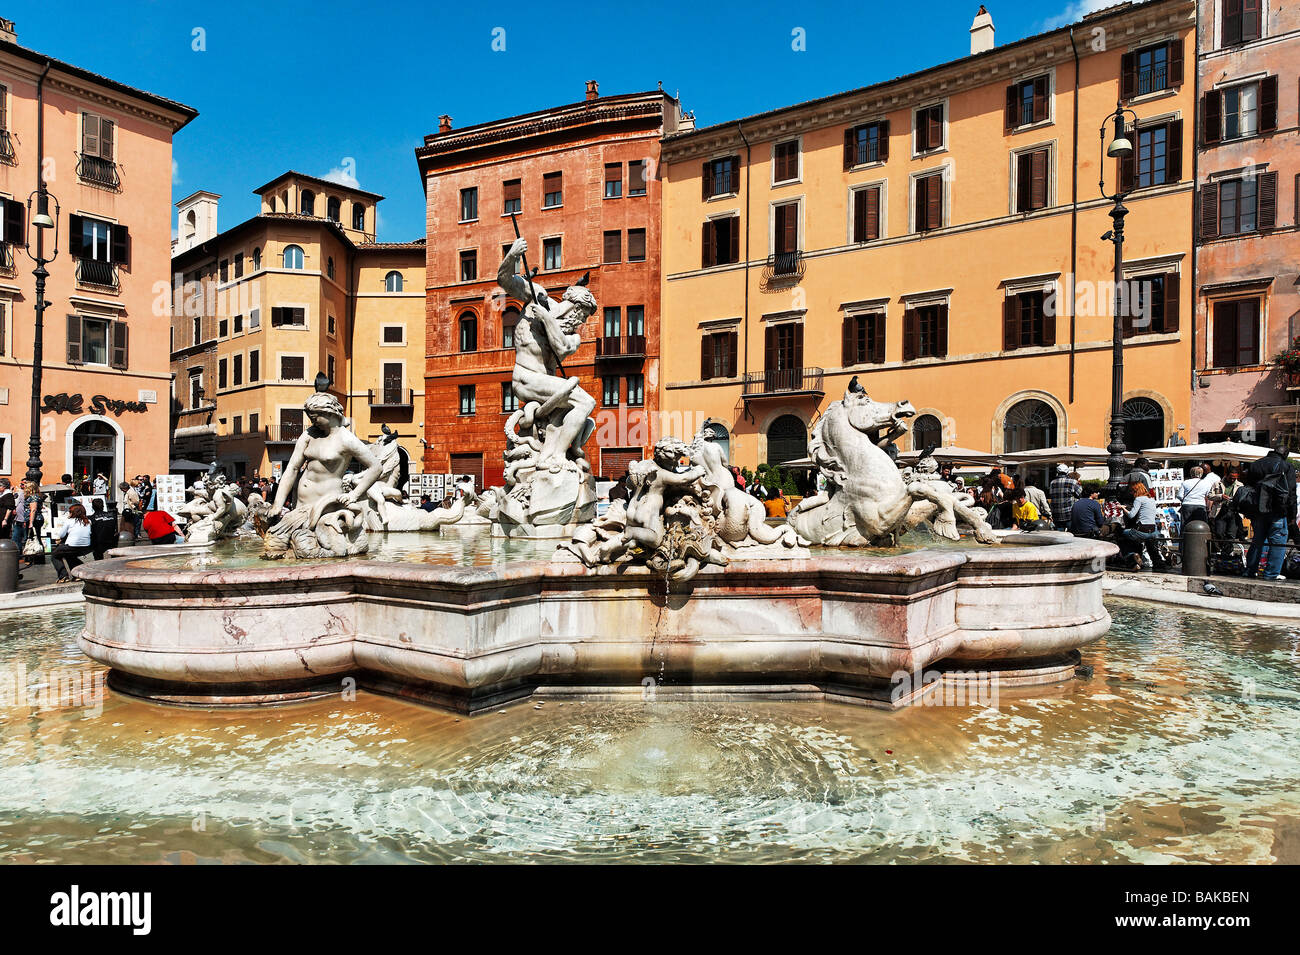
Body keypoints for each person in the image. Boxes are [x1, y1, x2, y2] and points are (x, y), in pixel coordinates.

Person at [1244, 438, 1298, 580]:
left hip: (1257, 510)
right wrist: (1292, 515)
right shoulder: (1286, 467)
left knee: (1257, 540)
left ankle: (1250, 570)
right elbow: (1291, 493)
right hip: (1278, 510)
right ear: (1285, 455)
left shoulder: (1255, 465)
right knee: (1278, 542)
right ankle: (1271, 573)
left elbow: (1248, 487)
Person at [1121, 481, 1168, 570]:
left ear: (1136, 491)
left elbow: (1131, 515)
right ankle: (1158, 564)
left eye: (1132, 491)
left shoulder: (1139, 499)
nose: (1131, 493)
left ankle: (1132, 558)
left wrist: (1123, 508)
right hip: (1153, 531)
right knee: (1150, 545)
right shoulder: (1151, 499)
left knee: (1123, 534)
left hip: (1141, 531)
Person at [51, 504, 94, 582]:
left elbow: (61, 535)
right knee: (69, 556)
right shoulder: (88, 521)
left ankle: (63, 576)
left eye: (70, 512)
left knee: (54, 555)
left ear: (73, 513)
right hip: (86, 547)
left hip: (72, 546)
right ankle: (78, 574)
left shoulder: (69, 521)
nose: (69, 513)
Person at [1048, 465, 1082, 531]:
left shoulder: (1052, 483)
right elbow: (1080, 492)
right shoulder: (1072, 482)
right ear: (1067, 472)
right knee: (1070, 534)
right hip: (1069, 514)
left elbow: (1051, 495)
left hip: (1056, 514)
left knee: (1059, 536)